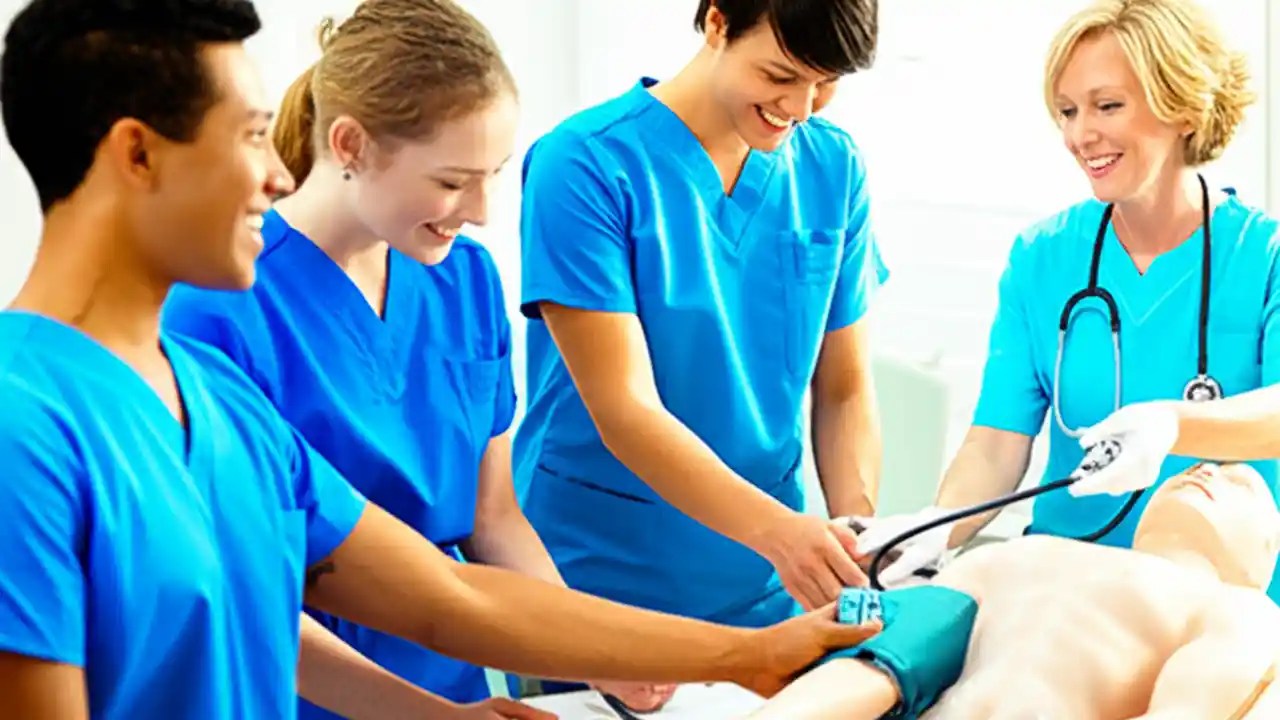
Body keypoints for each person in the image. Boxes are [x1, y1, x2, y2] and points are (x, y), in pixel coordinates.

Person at [0, 1, 888, 718]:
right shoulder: (26, 427)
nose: (277, 173)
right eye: (249, 137)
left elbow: (445, 597)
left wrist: (751, 655)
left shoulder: (214, 401)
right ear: (136, 154)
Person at [157, 0, 661, 713]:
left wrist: (591, 655)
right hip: (298, 691)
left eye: (494, 174)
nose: (482, 208)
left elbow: (494, 522)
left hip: (449, 678)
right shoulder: (217, 306)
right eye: (453, 181)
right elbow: (241, 589)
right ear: (352, 144)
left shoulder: (467, 279)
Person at [853, 0, 1280, 602]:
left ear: (1182, 104)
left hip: (1223, 601)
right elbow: (998, 441)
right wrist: (940, 526)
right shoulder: (1044, 258)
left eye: (1108, 106)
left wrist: (1172, 424)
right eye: (1067, 111)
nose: (1081, 135)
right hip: (1066, 590)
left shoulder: (1263, 256)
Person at [515, 0, 886, 652]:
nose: (801, 106)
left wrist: (857, 530)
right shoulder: (583, 167)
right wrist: (780, 533)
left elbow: (844, 386)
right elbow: (624, 409)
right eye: (780, 74)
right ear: (717, 21)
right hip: (601, 589)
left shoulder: (833, 167)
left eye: (825, 81)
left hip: (768, 588)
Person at [753, 461, 1280, 719]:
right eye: (1195, 468)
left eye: (1242, 484)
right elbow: (882, 666)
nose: (1208, 470)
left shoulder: (1243, 610)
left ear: (1261, 563)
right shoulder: (1017, 555)